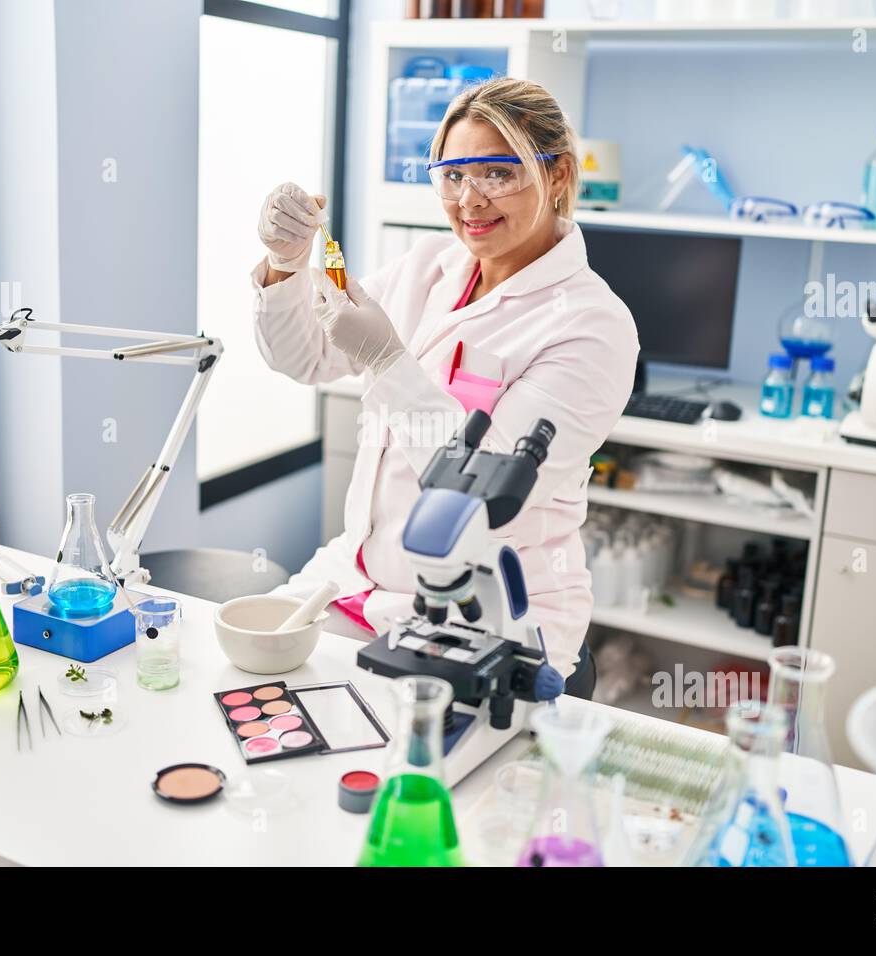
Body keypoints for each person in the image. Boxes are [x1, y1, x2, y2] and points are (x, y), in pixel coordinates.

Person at [250, 77, 638, 699]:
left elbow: (482, 493)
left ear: (558, 174)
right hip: (356, 579)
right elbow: (305, 358)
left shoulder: (593, 325)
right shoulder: (429, 265)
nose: (469, 200)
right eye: (452, 175)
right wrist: (286, 265)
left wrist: (385, 357)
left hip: (486, 614)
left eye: (496, 173)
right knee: (244, 670)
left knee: (404, 775)